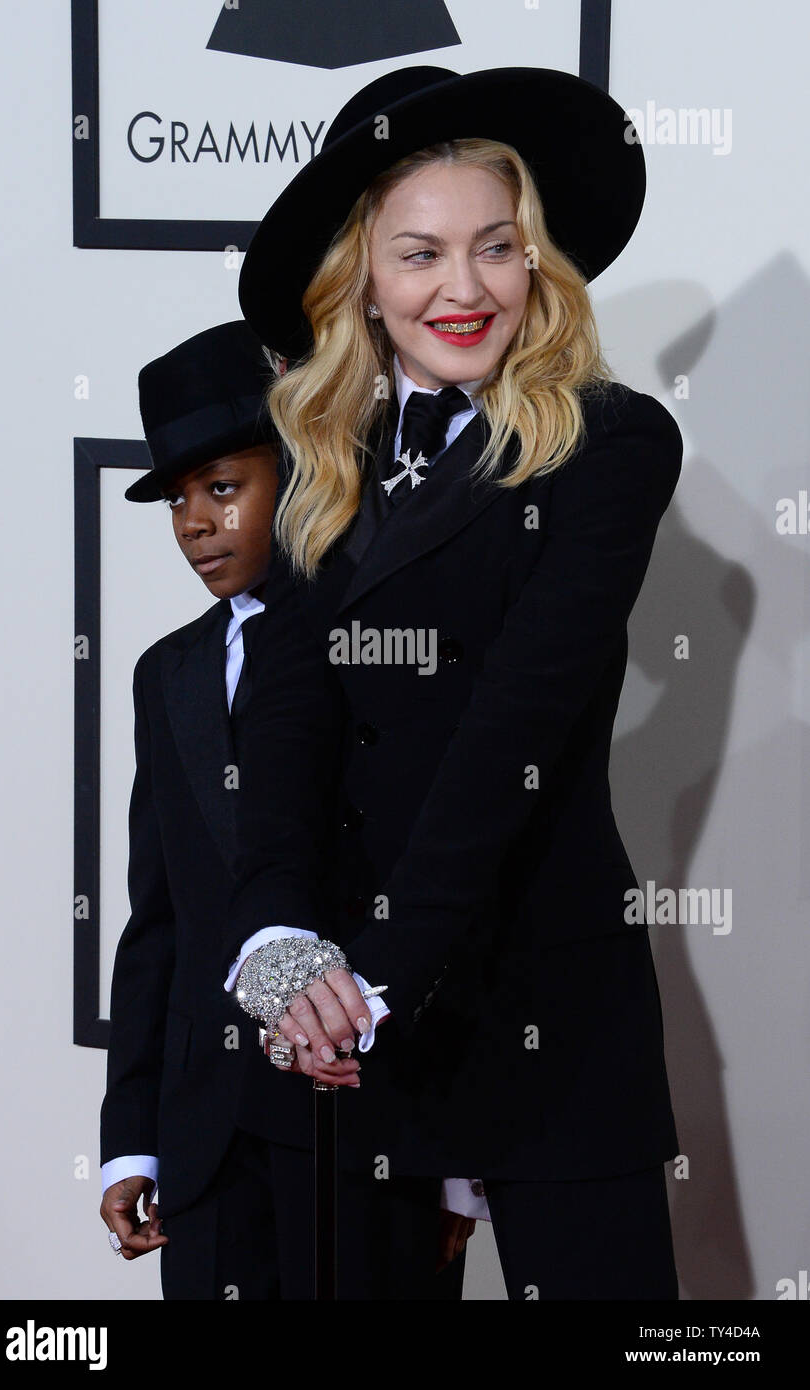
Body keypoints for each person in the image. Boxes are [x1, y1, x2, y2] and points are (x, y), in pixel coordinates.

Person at [225, 65, 684, 1301]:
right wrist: (278, 946)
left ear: (537, 262)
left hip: (536, 1005)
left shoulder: (608, 441)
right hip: (329, 1031)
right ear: (361, 277)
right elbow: (282, 712)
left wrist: (372, 977)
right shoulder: (318, 452)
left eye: (496, 247)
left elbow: (512, 734)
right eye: (420, 253)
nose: (462, 288)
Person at [97, 319, 472, 1298]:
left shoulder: (389, 650)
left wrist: (459, 1167)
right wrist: (130, 1141)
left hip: (371, 1132)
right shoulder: (164, 675)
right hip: (207, 1146)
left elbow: (448, 893)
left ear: (300, 473)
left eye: (222, 487)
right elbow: (158, 921)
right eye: (176, 499)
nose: (194, 523)